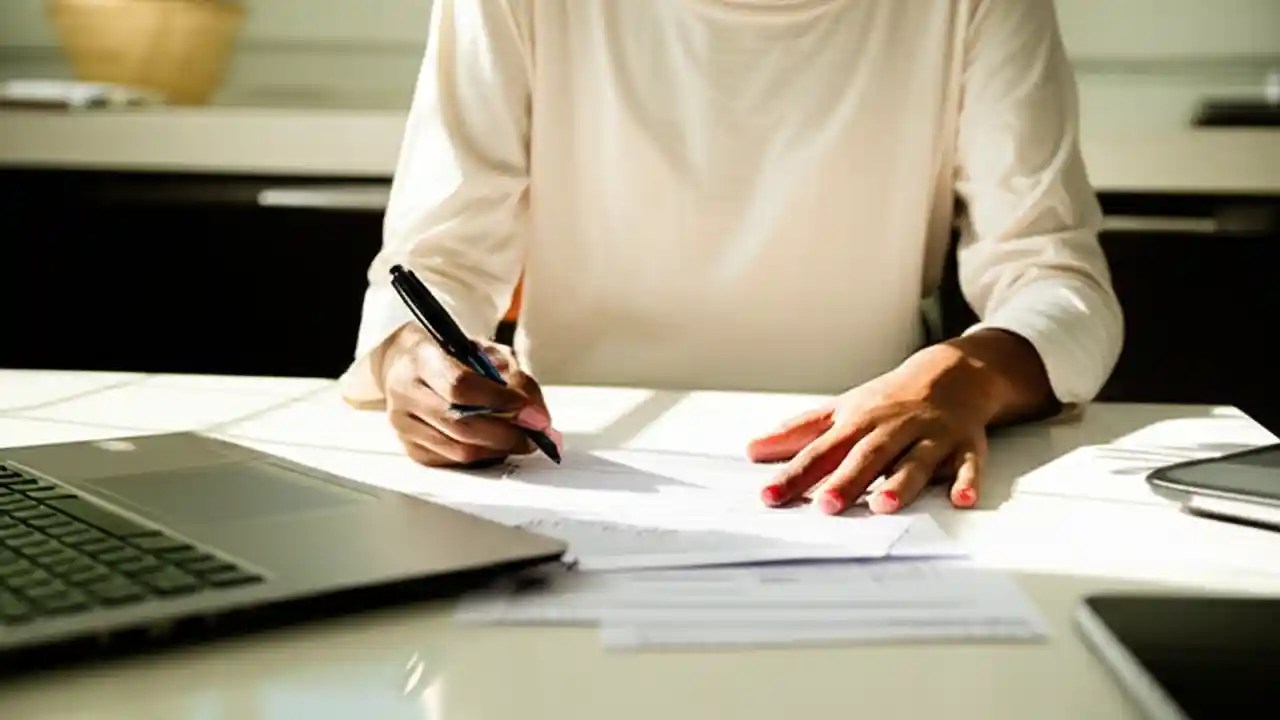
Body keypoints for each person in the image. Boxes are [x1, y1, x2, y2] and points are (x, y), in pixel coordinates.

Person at [339, 0, 1123, 517]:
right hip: (570, 479)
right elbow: (432, 267)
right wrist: (415, 362)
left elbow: (1057, 278)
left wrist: (964, 373)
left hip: (855, 492)